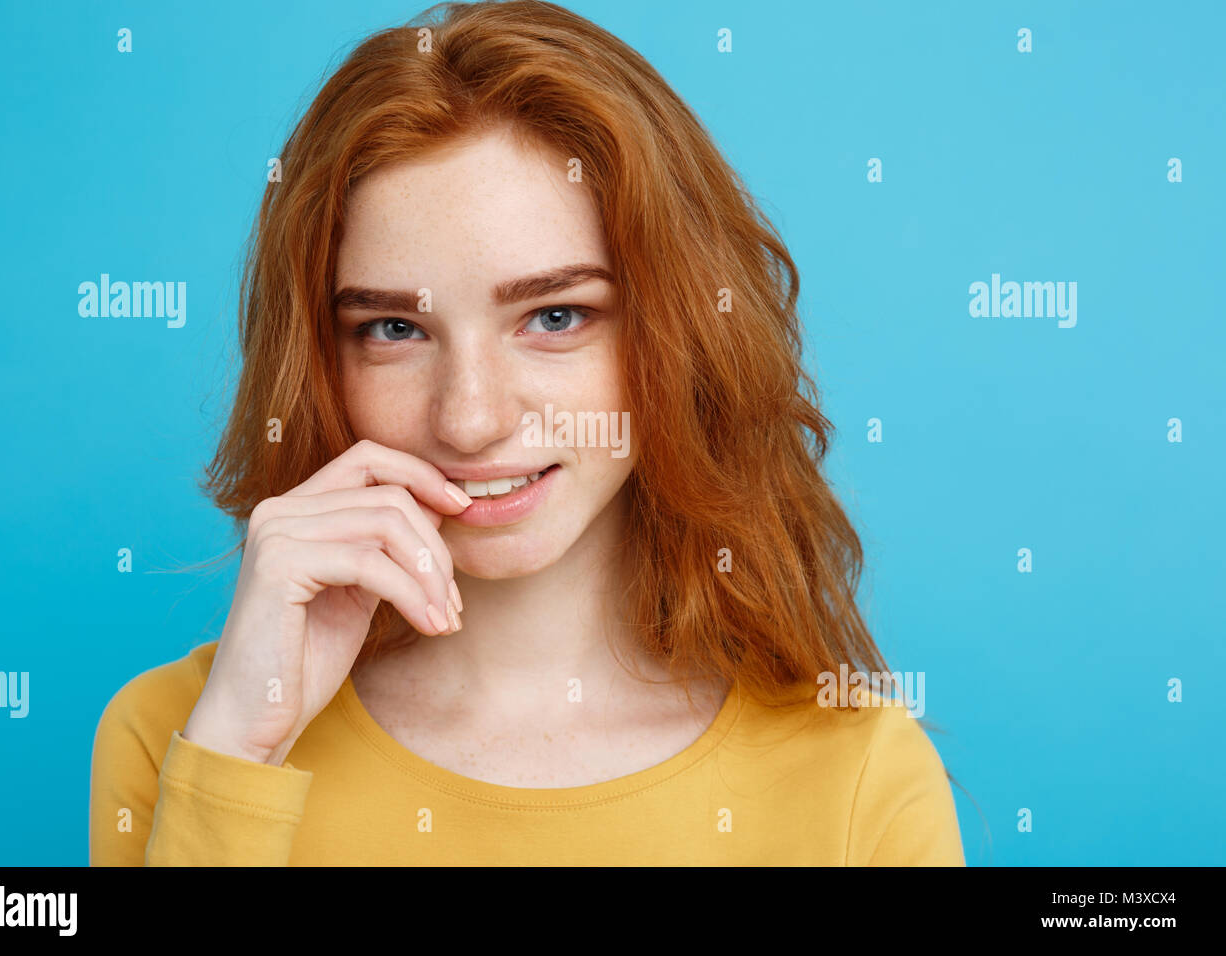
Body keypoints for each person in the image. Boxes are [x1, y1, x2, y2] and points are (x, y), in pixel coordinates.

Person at [90, 0, 965, 866]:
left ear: (680, 329)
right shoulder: (185, 736)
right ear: (324, 359)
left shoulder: (856, 779)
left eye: (554, 316)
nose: (471, 419)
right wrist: (236, 766)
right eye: (394, 330)